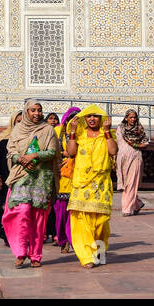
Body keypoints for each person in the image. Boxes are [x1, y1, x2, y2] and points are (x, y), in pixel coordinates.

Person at [1, 99, 60, 268]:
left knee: (38, 219)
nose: (37, 113)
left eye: (39, 110)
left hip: (41, 178)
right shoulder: (18, 129)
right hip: (21, 176)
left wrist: (34, 156)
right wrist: (19, 158)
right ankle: (20, 252)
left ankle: (35, 255)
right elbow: (11, 150)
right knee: (20, 212)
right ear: (26, 112)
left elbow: (52, 152)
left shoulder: (48, 130)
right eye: (33, 110)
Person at [65, 104, 117, 268]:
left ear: (101, 118)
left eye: (95, 116)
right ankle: (86, 256)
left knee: (101, 222)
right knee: (82, 222)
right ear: (84, 119)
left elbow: (113, 151)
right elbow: (71, 152)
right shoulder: (79, 134)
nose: (92, 119)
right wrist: (73, 131)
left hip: (101, 183)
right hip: (82, 183)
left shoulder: (107, 134)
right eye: (89, 116)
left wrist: (107, 131)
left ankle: (99, 251)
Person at [53, 106, 79, 253]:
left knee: (75, 212)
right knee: (62, 211)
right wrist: (65, 154)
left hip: (80, 175)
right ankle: (63, 240)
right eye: (71, 119)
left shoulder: (83, 133)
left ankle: (74, 240)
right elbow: (53, 150)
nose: (73, 122)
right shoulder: (58, 132)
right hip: (63, 175)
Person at [116, 109, 153, 216]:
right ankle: (137, 204)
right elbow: (117, 143)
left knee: (131, 184)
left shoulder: (139, 129)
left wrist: (135, 145)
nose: (133, 119)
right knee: (124, 182)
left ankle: (127, 209)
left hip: (134, 157)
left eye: (134, 117)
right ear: (126, 118)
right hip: (121, 158)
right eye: (131, 117)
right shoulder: (120, 128)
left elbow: (145, 143)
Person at [0, 111, 21, 240]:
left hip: (21, 179)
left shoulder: (28, 138)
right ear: (13, 122)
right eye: (18, 121)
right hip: (5, 178)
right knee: (2, 208)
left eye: (23, 121)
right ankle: (5, 233)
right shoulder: (4, 139)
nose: (20, 124)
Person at [43, 112, 61, 242]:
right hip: (43, 172)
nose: (53, 121)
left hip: (57, 172)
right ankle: (43, 232)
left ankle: (55, 232)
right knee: (43, 205)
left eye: (55, 119)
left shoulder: (62, 134)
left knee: (56, 204)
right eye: (50, 118)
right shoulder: (41, 134)